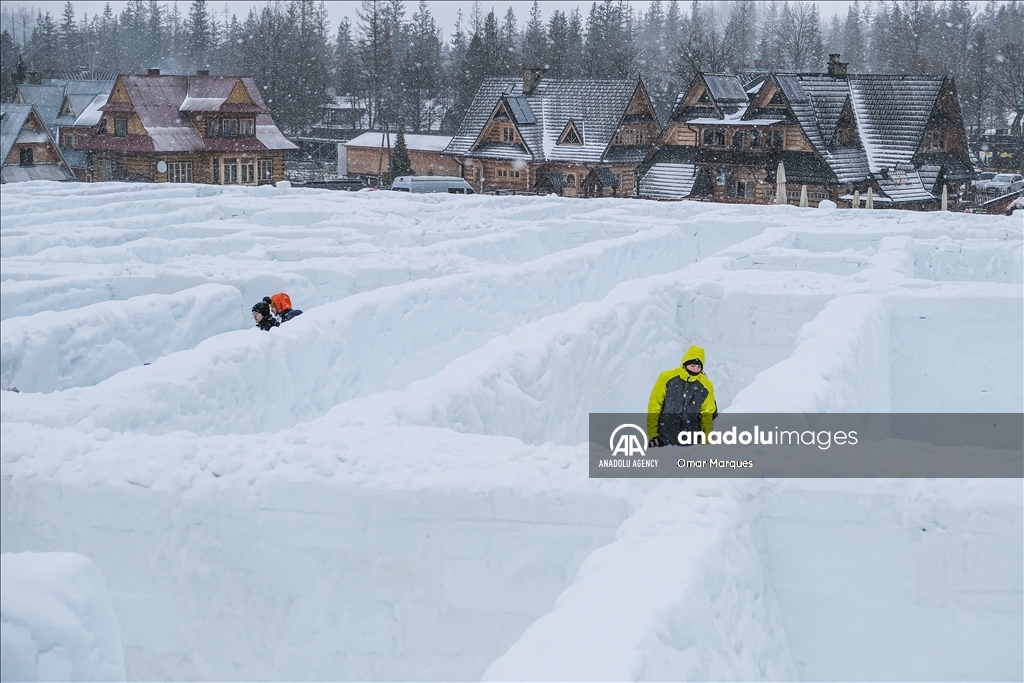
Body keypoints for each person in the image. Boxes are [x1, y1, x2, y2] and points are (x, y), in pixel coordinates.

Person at [646, 345, 717, 447]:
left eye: (698, 367)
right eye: (692, 366)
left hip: (690, 442)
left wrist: (705, 442)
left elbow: (707, 415)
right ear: (685, 363)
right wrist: (653, 434)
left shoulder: (706, 385)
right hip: (664, 437)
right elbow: (654, 406)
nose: (695, 370)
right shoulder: (667, 378)